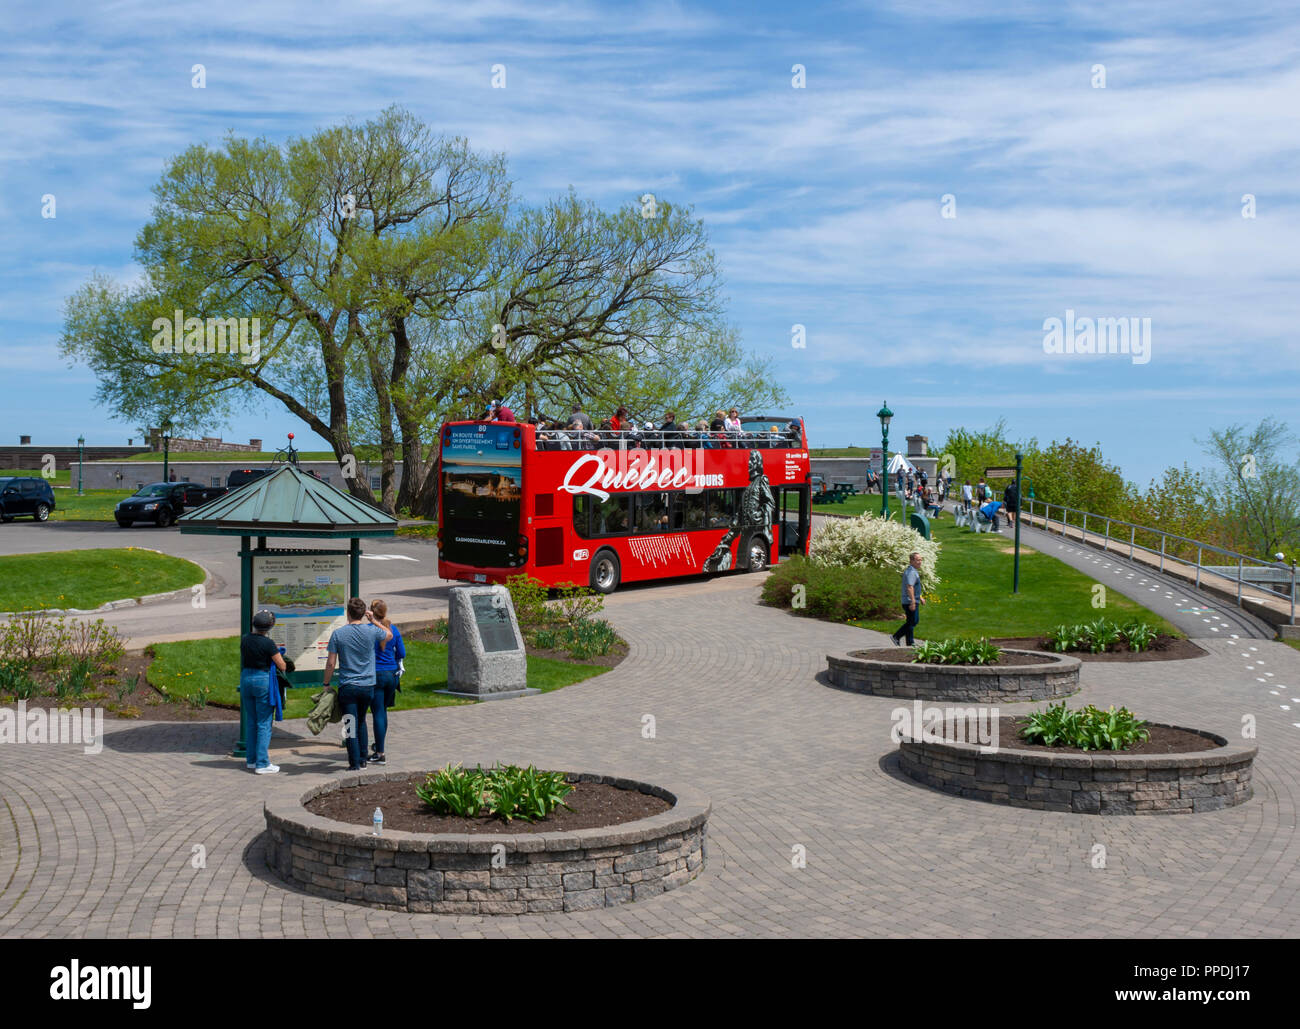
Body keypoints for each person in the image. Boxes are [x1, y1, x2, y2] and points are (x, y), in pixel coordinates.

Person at [323, 597, 393, 772]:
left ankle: (354, 763)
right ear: (363, 614)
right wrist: (374, 621)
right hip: (368, 685)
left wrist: (326, 683)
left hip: (348, 685)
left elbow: (331, 663)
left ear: (348, 613)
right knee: (361, 721)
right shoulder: (371, 631)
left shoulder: (338, 634)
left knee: (350, 724)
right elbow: (389, 634)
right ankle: (363, 759)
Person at [240, 609, 289, 773]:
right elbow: (282, 665)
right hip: (262, 680)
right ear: (269, 627)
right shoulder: (268, 643)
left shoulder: (245, 639)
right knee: (264, 723)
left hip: (246, 678)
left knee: (252, 721)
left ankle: (251, 760)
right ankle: (262, 763)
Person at [368, 599, 405, 766]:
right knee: (383, 712)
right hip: (391, 675)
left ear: (371, 612)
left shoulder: (369, 630)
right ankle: (379, 745)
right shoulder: (393, 629)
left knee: (377, 713)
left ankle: (380, 753)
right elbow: (401, 652)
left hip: (375, 674)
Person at [890, 552, 925, 647]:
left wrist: (920, 597)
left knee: (912, 621)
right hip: (910, 601)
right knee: (912, 621)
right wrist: (913, 601)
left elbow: (914, 586)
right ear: (911, 561)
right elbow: (910, 587)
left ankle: (909, 642)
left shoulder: (912, 571)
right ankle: (897, 637)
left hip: (911, 600)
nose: (920, 562)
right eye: (918, 560)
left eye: (921, 560)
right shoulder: (911, 572)